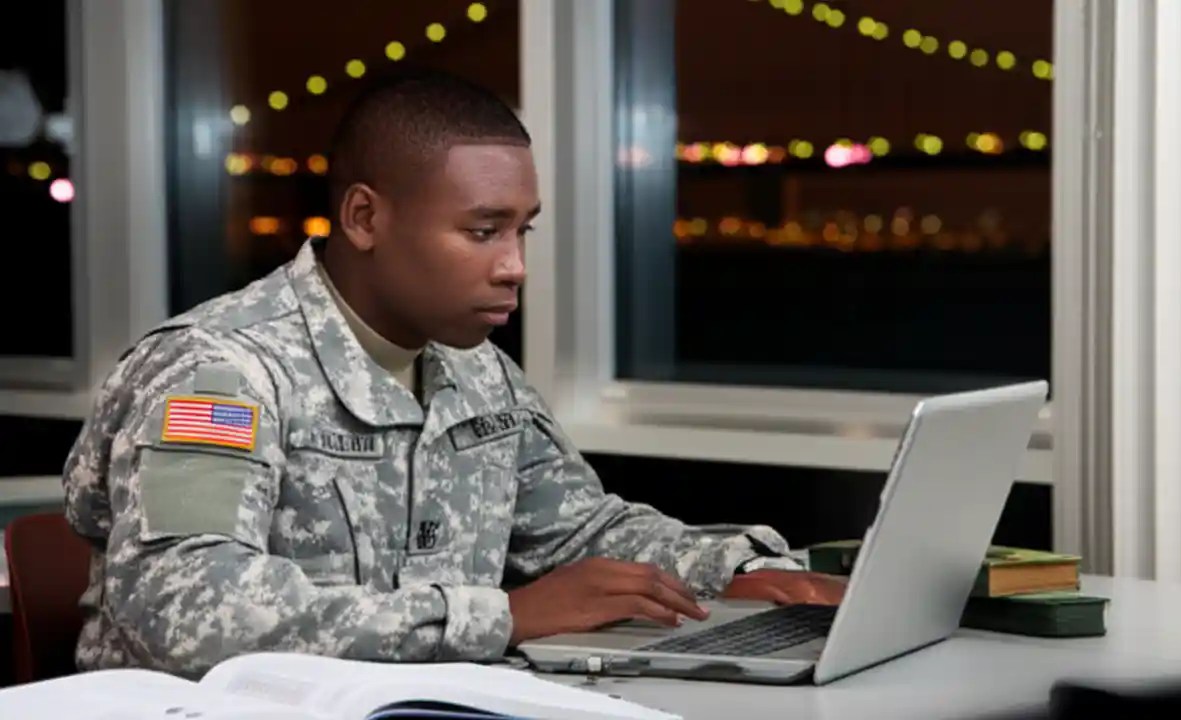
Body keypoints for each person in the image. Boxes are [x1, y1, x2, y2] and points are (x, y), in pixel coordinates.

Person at [61, 69, 846, 679]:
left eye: (522, 230)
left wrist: (741, 572)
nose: (514, 268)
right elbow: (187, 603)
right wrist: (495, 617)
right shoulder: (219, 370)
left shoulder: (475, 370)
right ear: (365, 219)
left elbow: (581, 532)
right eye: (482, 231)